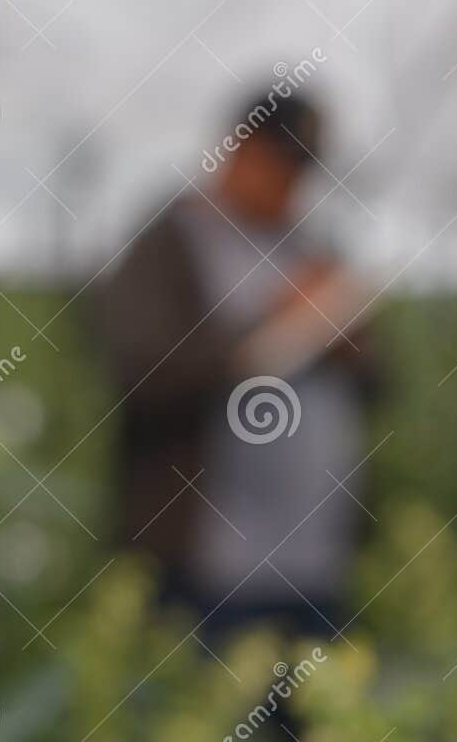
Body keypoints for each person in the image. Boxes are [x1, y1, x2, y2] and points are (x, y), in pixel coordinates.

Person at [101, 88, 380, 641]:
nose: (296, 185)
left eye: (306, 169)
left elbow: (379, 382)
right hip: (209, 568)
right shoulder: (169, 241)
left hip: (314, 558)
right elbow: (144, 373)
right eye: (285, 164)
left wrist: (349, 342)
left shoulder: (312, 245)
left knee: (311, 718)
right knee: (208, 715)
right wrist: (269, 325)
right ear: (241, 148)